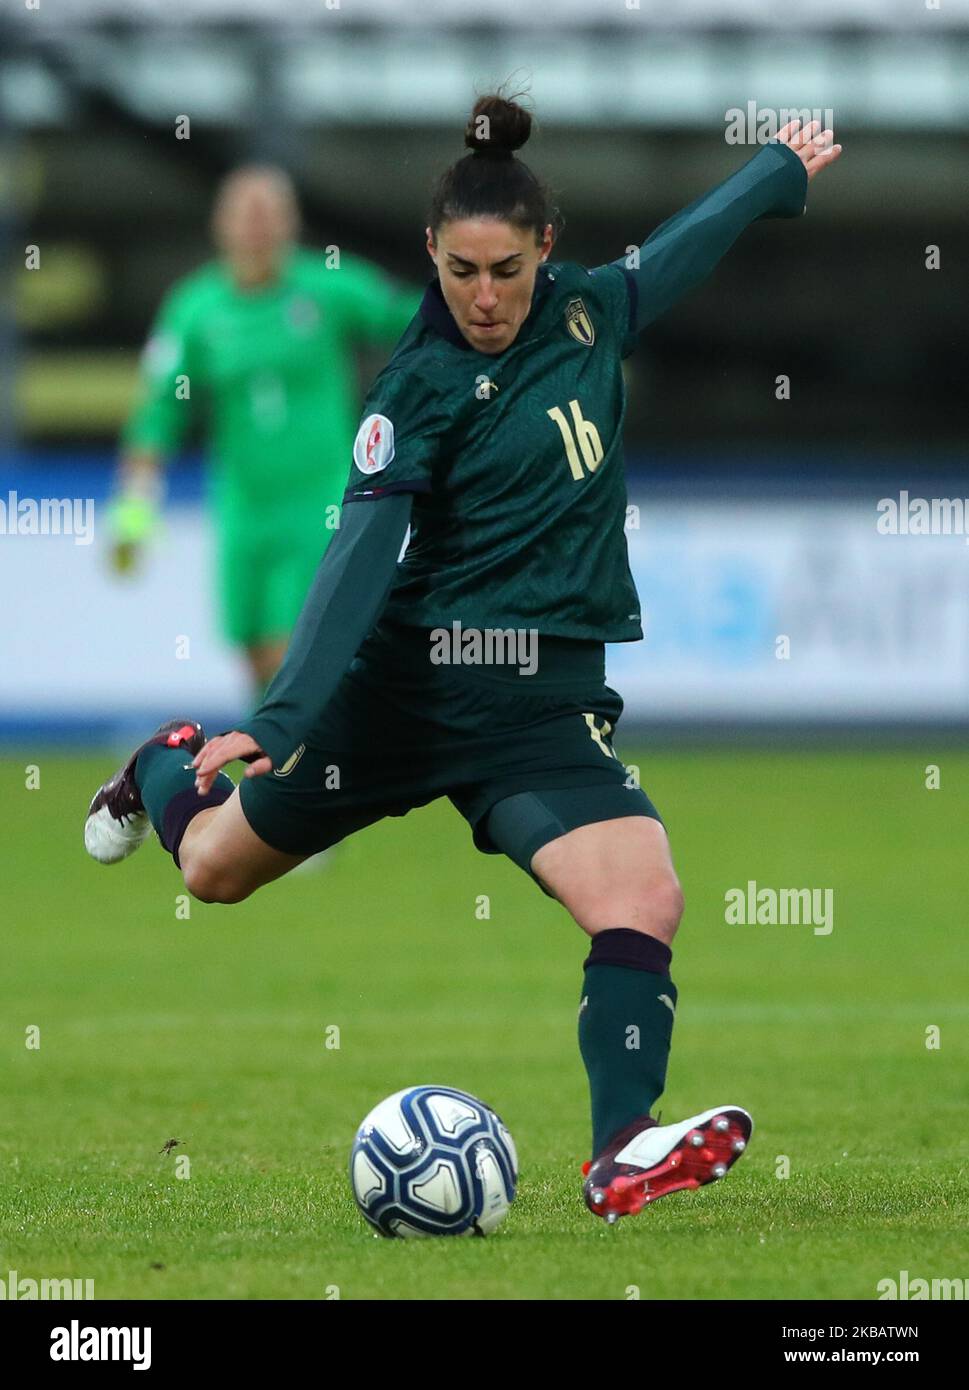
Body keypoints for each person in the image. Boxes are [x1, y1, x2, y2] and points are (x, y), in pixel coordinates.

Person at [86, 95, 841, 1222]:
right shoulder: (418, 390)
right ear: (432, 258)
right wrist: (286, 716)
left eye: (504, 269)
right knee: (213, 871)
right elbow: (359, 551)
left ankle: (622, 1145)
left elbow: (677, 256)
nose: (482, 297)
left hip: (541, 702)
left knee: (644, 894)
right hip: (407, 692)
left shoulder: (590, 314)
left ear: (545, 249)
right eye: (459, 271)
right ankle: (164, 759)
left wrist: (773, 174)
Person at [111, 164, 421, 694]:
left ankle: (298, 768)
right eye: (245, 215)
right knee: (254, 654)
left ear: (290, 224)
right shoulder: (196, 309)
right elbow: (160, 409)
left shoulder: (327, 288)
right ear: (221, 224)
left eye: (269, 215)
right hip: (242, 507)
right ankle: (284, 764)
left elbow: (407, 316)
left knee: (291, 647)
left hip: (317, 502)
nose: (257, 228)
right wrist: (136, 507)